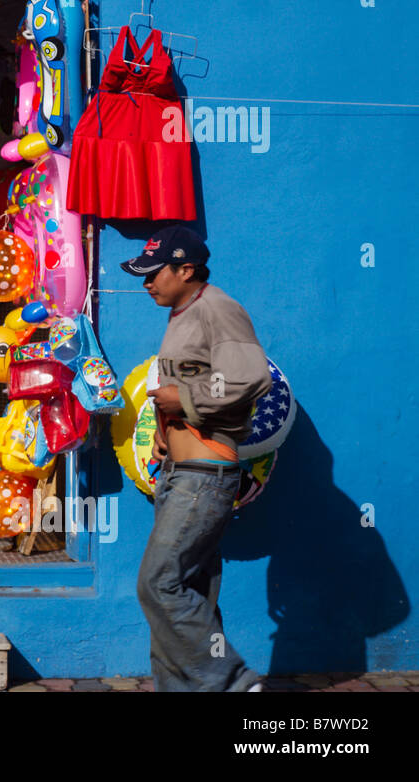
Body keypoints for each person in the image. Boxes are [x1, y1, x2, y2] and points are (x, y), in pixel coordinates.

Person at [122, 225, 271, 692]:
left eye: (154, 274)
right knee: (188, 598)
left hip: (204, 476)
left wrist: (182, 399)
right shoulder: (182, 313)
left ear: (187, 269)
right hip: (179, 474)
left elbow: (249, 378)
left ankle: (232, 681)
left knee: (159, 584)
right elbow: (188, 387)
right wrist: (166, 426)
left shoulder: (217, 308)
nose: (146, 284)